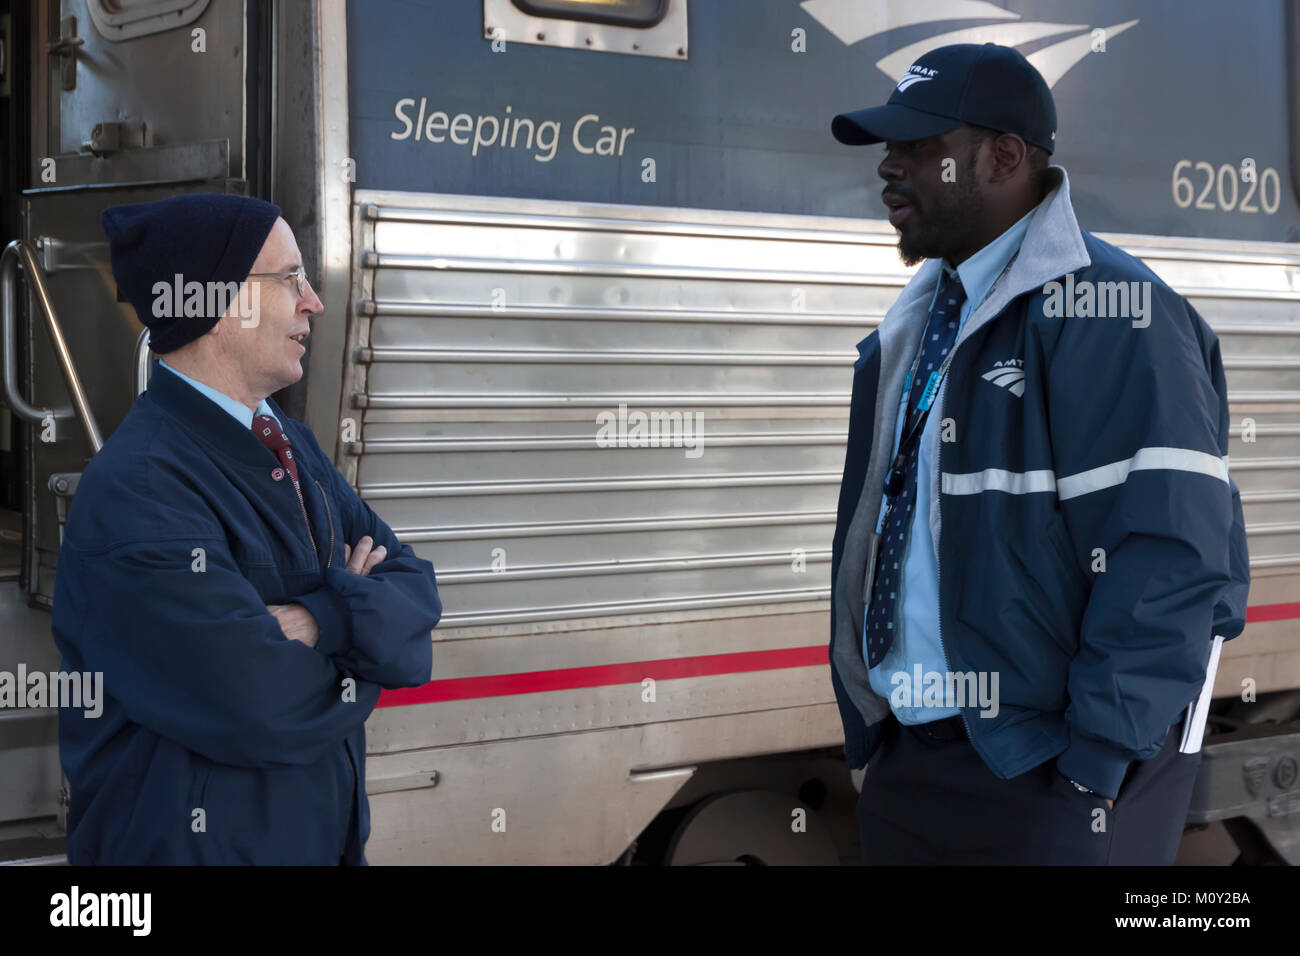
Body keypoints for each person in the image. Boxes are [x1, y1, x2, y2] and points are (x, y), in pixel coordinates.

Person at [826, 43, 1250, 864]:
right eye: (888, 148)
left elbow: (1170, 554)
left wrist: (1094, 771)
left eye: (919, 148)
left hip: (1052, 776)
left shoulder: (1115, 312)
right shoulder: (917, 326)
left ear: (1005, 157)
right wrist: (876, 744)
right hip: (918, 761)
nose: (889, 169)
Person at [53, 193, 442, 864]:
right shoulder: (142, 488)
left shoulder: (289, 443)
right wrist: (357, 626)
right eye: (290, 278)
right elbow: (261, 704)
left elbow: (416, 606)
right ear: (220, 301)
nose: (314, 301)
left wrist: (319, 621)